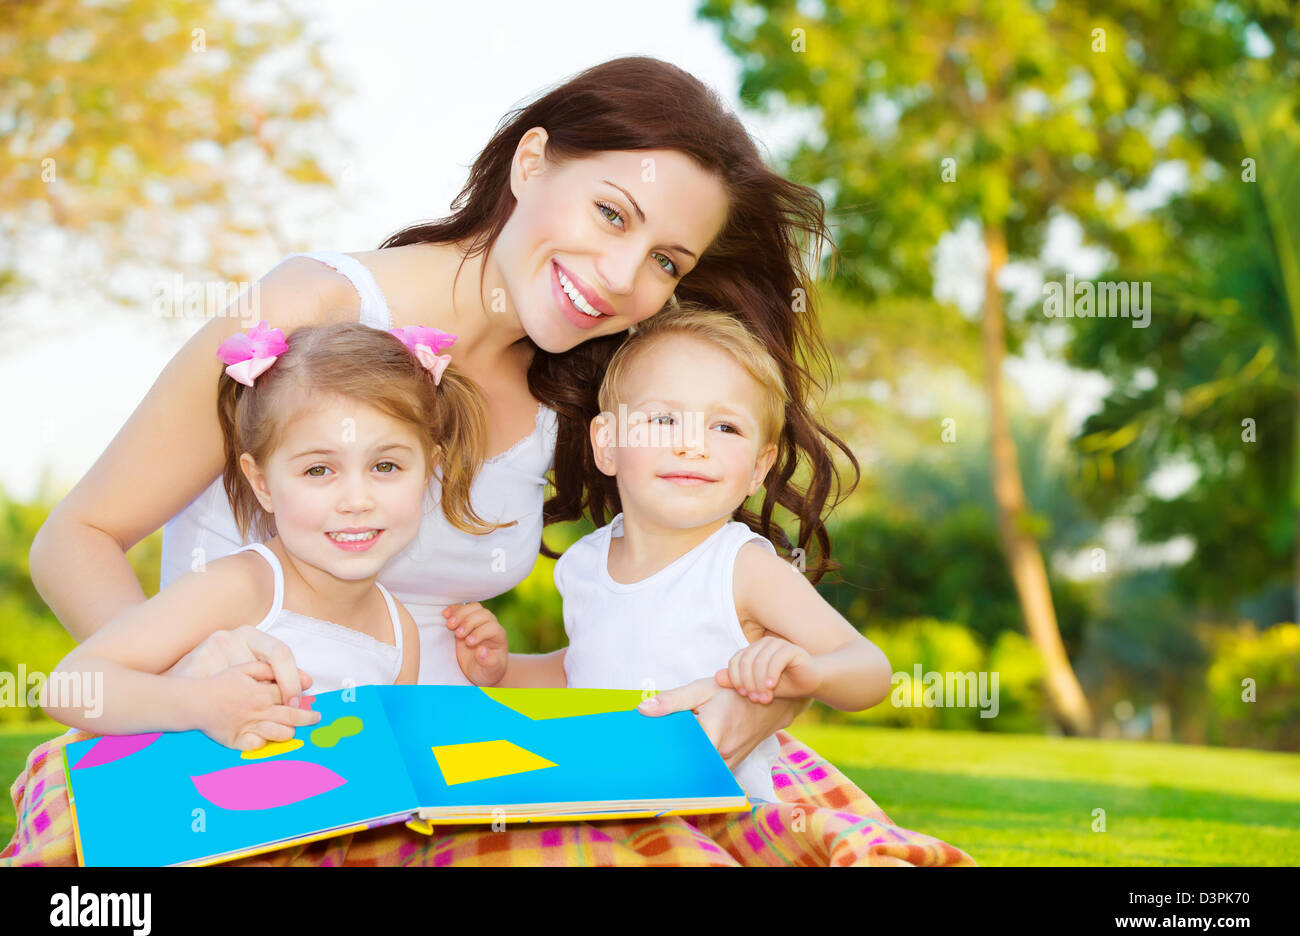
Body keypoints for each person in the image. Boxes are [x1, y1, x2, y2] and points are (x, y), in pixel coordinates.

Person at [11, 56, 974, 866]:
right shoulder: (312, 314)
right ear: (532, 160)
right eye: (610, 213)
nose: (622, 278)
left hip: (461, 761)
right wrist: (188, 685)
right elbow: (76, 539)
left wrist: (759, 678)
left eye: (669, 261)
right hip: (285, 750)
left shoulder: (576, 394)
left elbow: (650, 605)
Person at [460, 308, 891, 803]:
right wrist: (503, 671)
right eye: (664, 419)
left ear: (759, 467)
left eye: (725, 427)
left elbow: (870, 669)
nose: (692, 444)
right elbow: (577, 671)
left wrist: (812, 674)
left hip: (716, 813)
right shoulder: (585, 563)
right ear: (607, 444)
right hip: (608, 798)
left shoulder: (742, 568)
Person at [42, 320, 504, 749]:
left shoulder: (399, 630)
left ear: (429, 471)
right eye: (319, 469)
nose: (357, 499)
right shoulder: (242, 587)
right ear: (262, 482)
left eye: (386, 466)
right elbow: (69, 687)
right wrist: (201, 705)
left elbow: (383, 766)